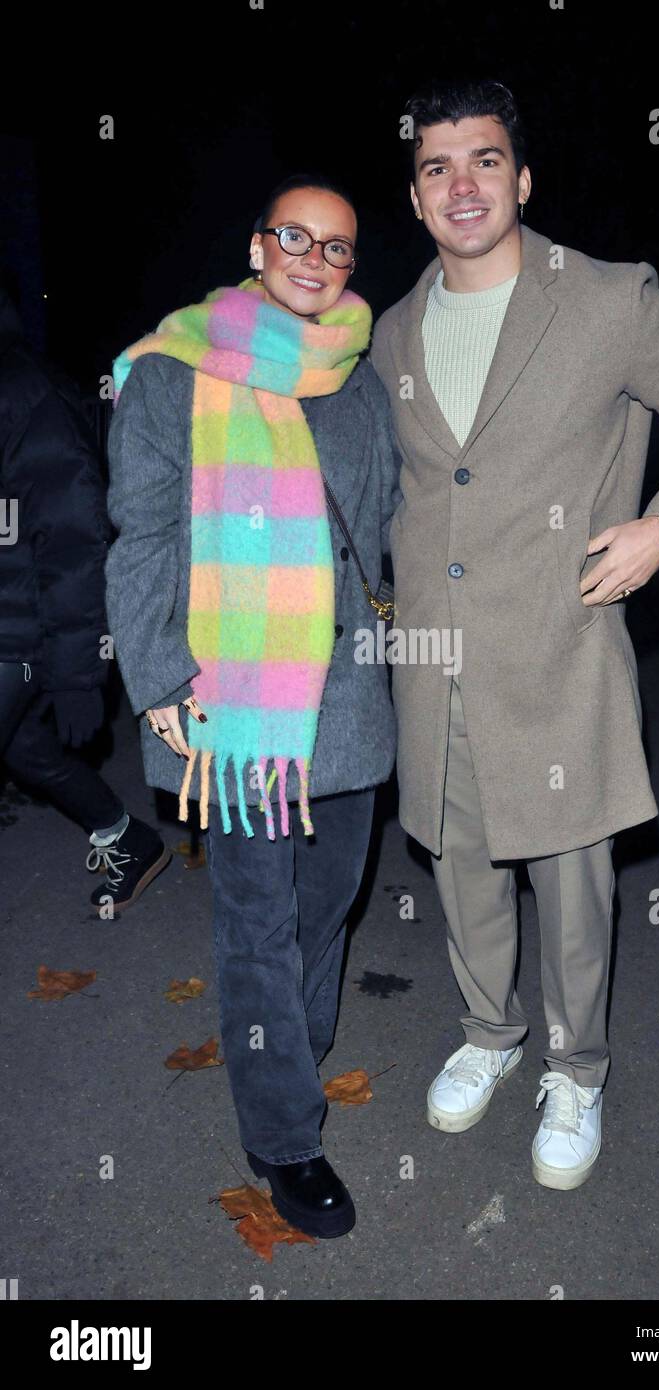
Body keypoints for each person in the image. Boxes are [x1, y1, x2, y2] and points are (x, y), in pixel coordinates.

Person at [370, 80, 659, 1190]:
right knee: (461, 865)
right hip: (436, 657)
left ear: (522, 179)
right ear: (415, 194)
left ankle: (575, 1069)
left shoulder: (601, 300)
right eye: (438, 166)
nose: (462, 184)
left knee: (572, 877)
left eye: (484, 160)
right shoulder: (394, 328)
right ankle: (490, 1034)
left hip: (556, 648)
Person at [105, 174, 402, 1238]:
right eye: (296, 237)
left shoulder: (363, 377)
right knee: (256, 925)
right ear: (257, 243)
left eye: (338, 247)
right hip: (232, 703)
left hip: (352, 696)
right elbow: (141, 538)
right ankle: (283, 1135)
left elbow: (392, 526)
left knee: (328, 903)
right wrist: (158, 679)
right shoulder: (174, 374)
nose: (315, 259)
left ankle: (288, 1041)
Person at [0, 284, 170, 911]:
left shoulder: (23, 389)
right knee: (29, 752)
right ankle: (130, 840)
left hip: (15, 630)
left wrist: (76, 674)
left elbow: (74, 535)